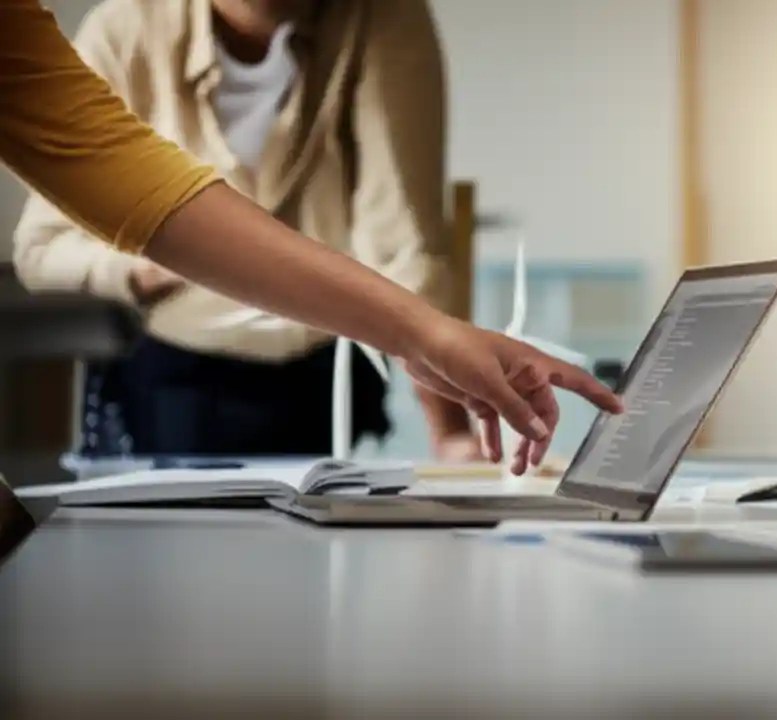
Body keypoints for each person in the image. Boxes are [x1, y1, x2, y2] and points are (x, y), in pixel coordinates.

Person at [0, 0, 622, 476]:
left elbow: (403, 229)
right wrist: (144, 271)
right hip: (178, 376)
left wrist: (448, 416)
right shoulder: (125, 28)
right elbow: (110, 213)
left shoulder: (378, 21)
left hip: (323, 366)